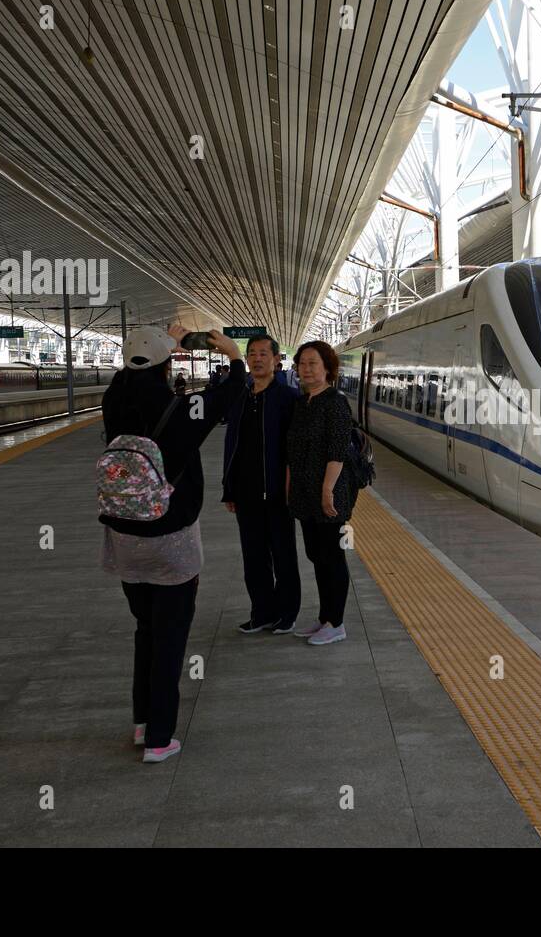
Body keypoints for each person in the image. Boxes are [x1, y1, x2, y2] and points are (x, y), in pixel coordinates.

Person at [100, 325, 245, 762]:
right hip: (171, 541)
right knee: (170, 639)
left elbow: (129, 373)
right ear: (169, 366)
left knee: (145, 631)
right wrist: (233, 356)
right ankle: (161, 740)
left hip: (123, 536)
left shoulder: (113, 401)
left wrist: (158, 350)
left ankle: (143, 724)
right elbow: (231, 390)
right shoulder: (184, 408)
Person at [223, 335, 302, 634]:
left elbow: (296, 449)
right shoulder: (241, 398)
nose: (257, 359)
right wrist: (229, 488)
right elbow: (233, 445)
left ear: (276, 359)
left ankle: (287, 612)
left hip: (279, 493)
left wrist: (293, 487)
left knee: (283, 556)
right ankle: (262, 612)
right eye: (252, 354)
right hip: (246, 493)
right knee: (253, 557)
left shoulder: (288, 399)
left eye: (263, 354)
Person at [287, 341, 354, 646]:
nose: (307, 369)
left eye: (313, 363)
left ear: (328, 368)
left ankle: (337, 622)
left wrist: (327, 489)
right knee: (316, 555)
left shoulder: (335, 402)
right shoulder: (302, 403)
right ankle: (324, 617)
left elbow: (337, 449)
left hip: (330, 493)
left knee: (332, 557)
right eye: (302, 363)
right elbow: (292, 450)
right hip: (304, 493)